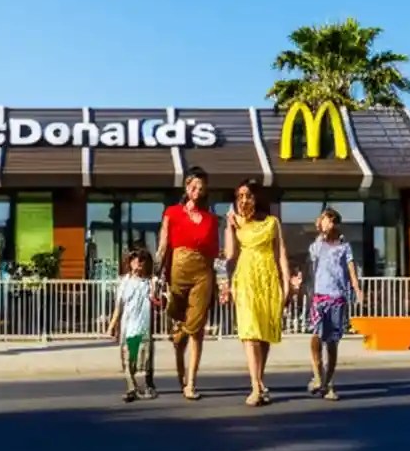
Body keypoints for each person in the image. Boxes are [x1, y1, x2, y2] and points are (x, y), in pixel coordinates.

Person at [156, 165, 220, 401]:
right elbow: (163, 246)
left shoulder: (211, 219)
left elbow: (214, 254)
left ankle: (191, 382)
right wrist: (156, 274)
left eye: (201, 187)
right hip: (177, 271)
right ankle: (180, 368)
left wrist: (218, 283)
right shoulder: (172, 213)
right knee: (181, 325)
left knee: (198, 329)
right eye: (193, 185)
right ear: (186, 186)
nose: (197, 190)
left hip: (202, 273)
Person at [226, 178, 290, 407]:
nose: (244, 200)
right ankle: (255, 386)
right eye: (240, 196)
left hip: (268, 279)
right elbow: (230, 254)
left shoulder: (272, 222)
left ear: (257, 198)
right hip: (245, 279)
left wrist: (287, 283)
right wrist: (229, 226)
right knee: (249, 331)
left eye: (248, 196)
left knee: (263, 334)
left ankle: (260, 380)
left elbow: (281, 252)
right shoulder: (236, 221)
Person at [307, 208, 363, 401]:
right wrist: (319, 234)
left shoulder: (344, 246)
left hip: (337, 297)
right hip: (319, 296)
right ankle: (317, 374)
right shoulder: (318, 244)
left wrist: (357, 288)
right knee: (315, 335)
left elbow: (350, 267)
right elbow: (312, 261)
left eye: (329, 220)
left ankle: (328, 383)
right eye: (324, 220)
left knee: (332, 342)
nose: (327, 224)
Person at [107, 249, 158, 402]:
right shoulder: (124, 282)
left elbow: (157, 301)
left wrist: (155, 287)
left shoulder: (150, 282)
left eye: (141, 261)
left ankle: (147, 386)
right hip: (128, 327)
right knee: (128, 360)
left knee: (144, 360)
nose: (138, 264)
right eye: (135, 261)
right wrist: (112, 326)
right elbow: (119, 307)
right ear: (130, 263)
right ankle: (131, 389)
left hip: (144, 327)